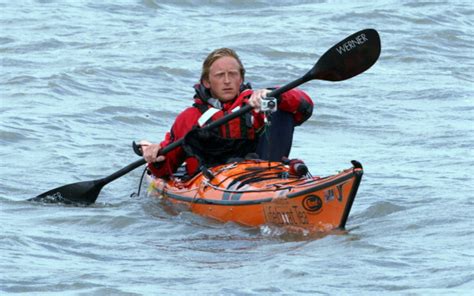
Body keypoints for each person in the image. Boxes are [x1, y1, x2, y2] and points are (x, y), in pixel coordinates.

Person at [141, 48, 313, 178]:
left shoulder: (257, 104)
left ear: (241, 79)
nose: (227, 81)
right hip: (210, 182)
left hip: (261, 175)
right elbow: (166, 169)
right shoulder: (189, 117)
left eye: (232, 74)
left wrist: (274, 95)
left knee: (279, 108)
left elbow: (304, 107)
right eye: (219, 75)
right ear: (207, 82)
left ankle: (274, 180)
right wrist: (155, 155)